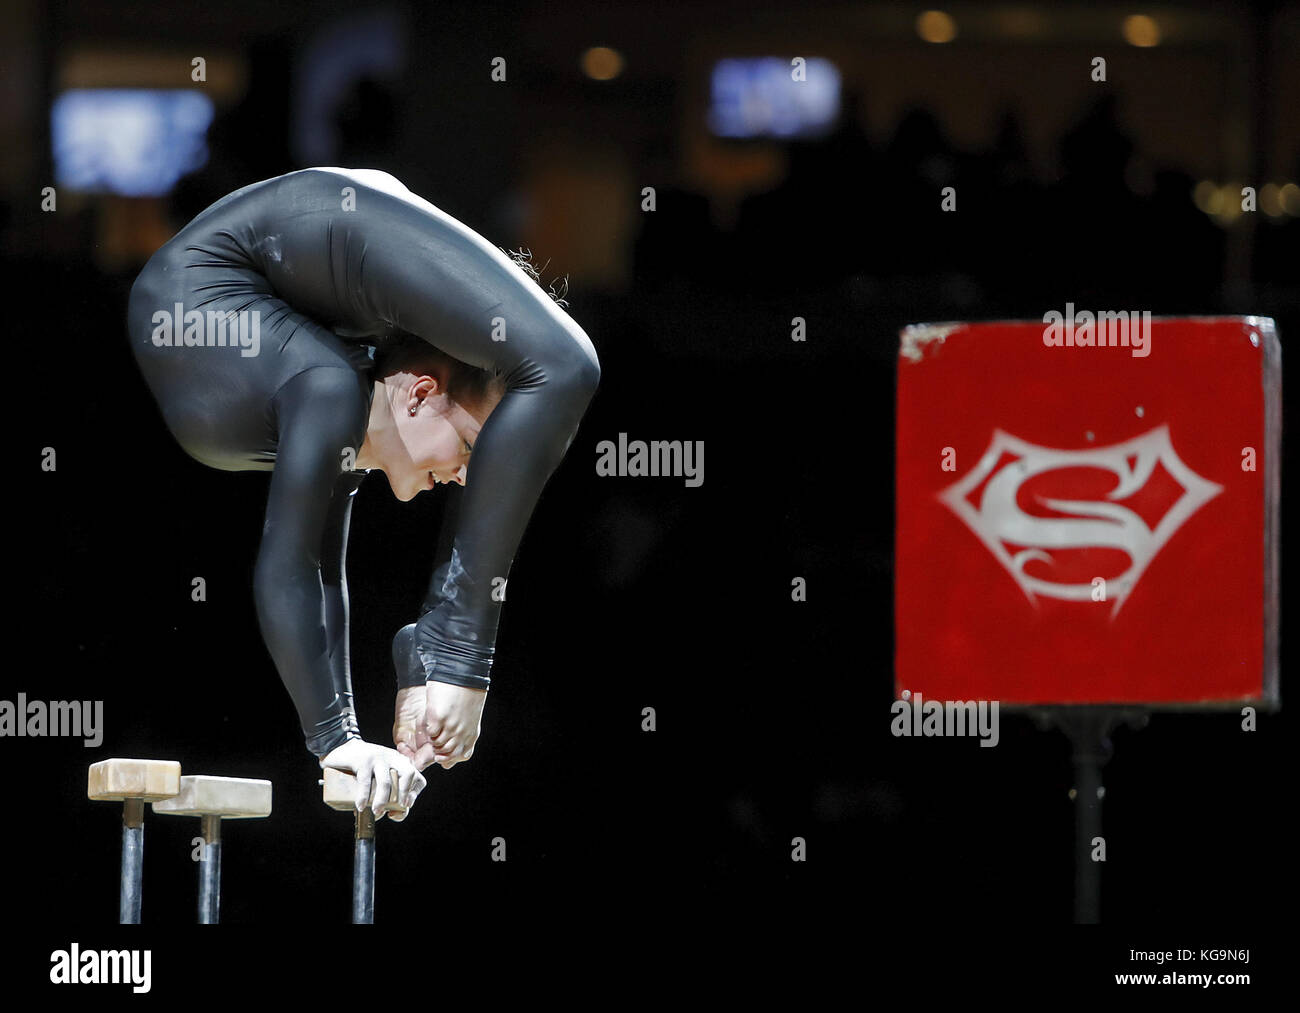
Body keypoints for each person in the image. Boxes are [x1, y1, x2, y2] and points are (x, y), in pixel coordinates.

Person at [126, 167, 601, 819]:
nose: (468, 478)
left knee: (536, 381)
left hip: (269, 271)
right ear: (421, 393)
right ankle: (455, 641)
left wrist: (361, 723)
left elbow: (321, 570)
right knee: (565, 366)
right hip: (210, 287)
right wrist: (341, 736)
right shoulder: (328, 385)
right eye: (469, 452)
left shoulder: (334, 396)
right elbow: (284, 565)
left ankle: (438, 640)